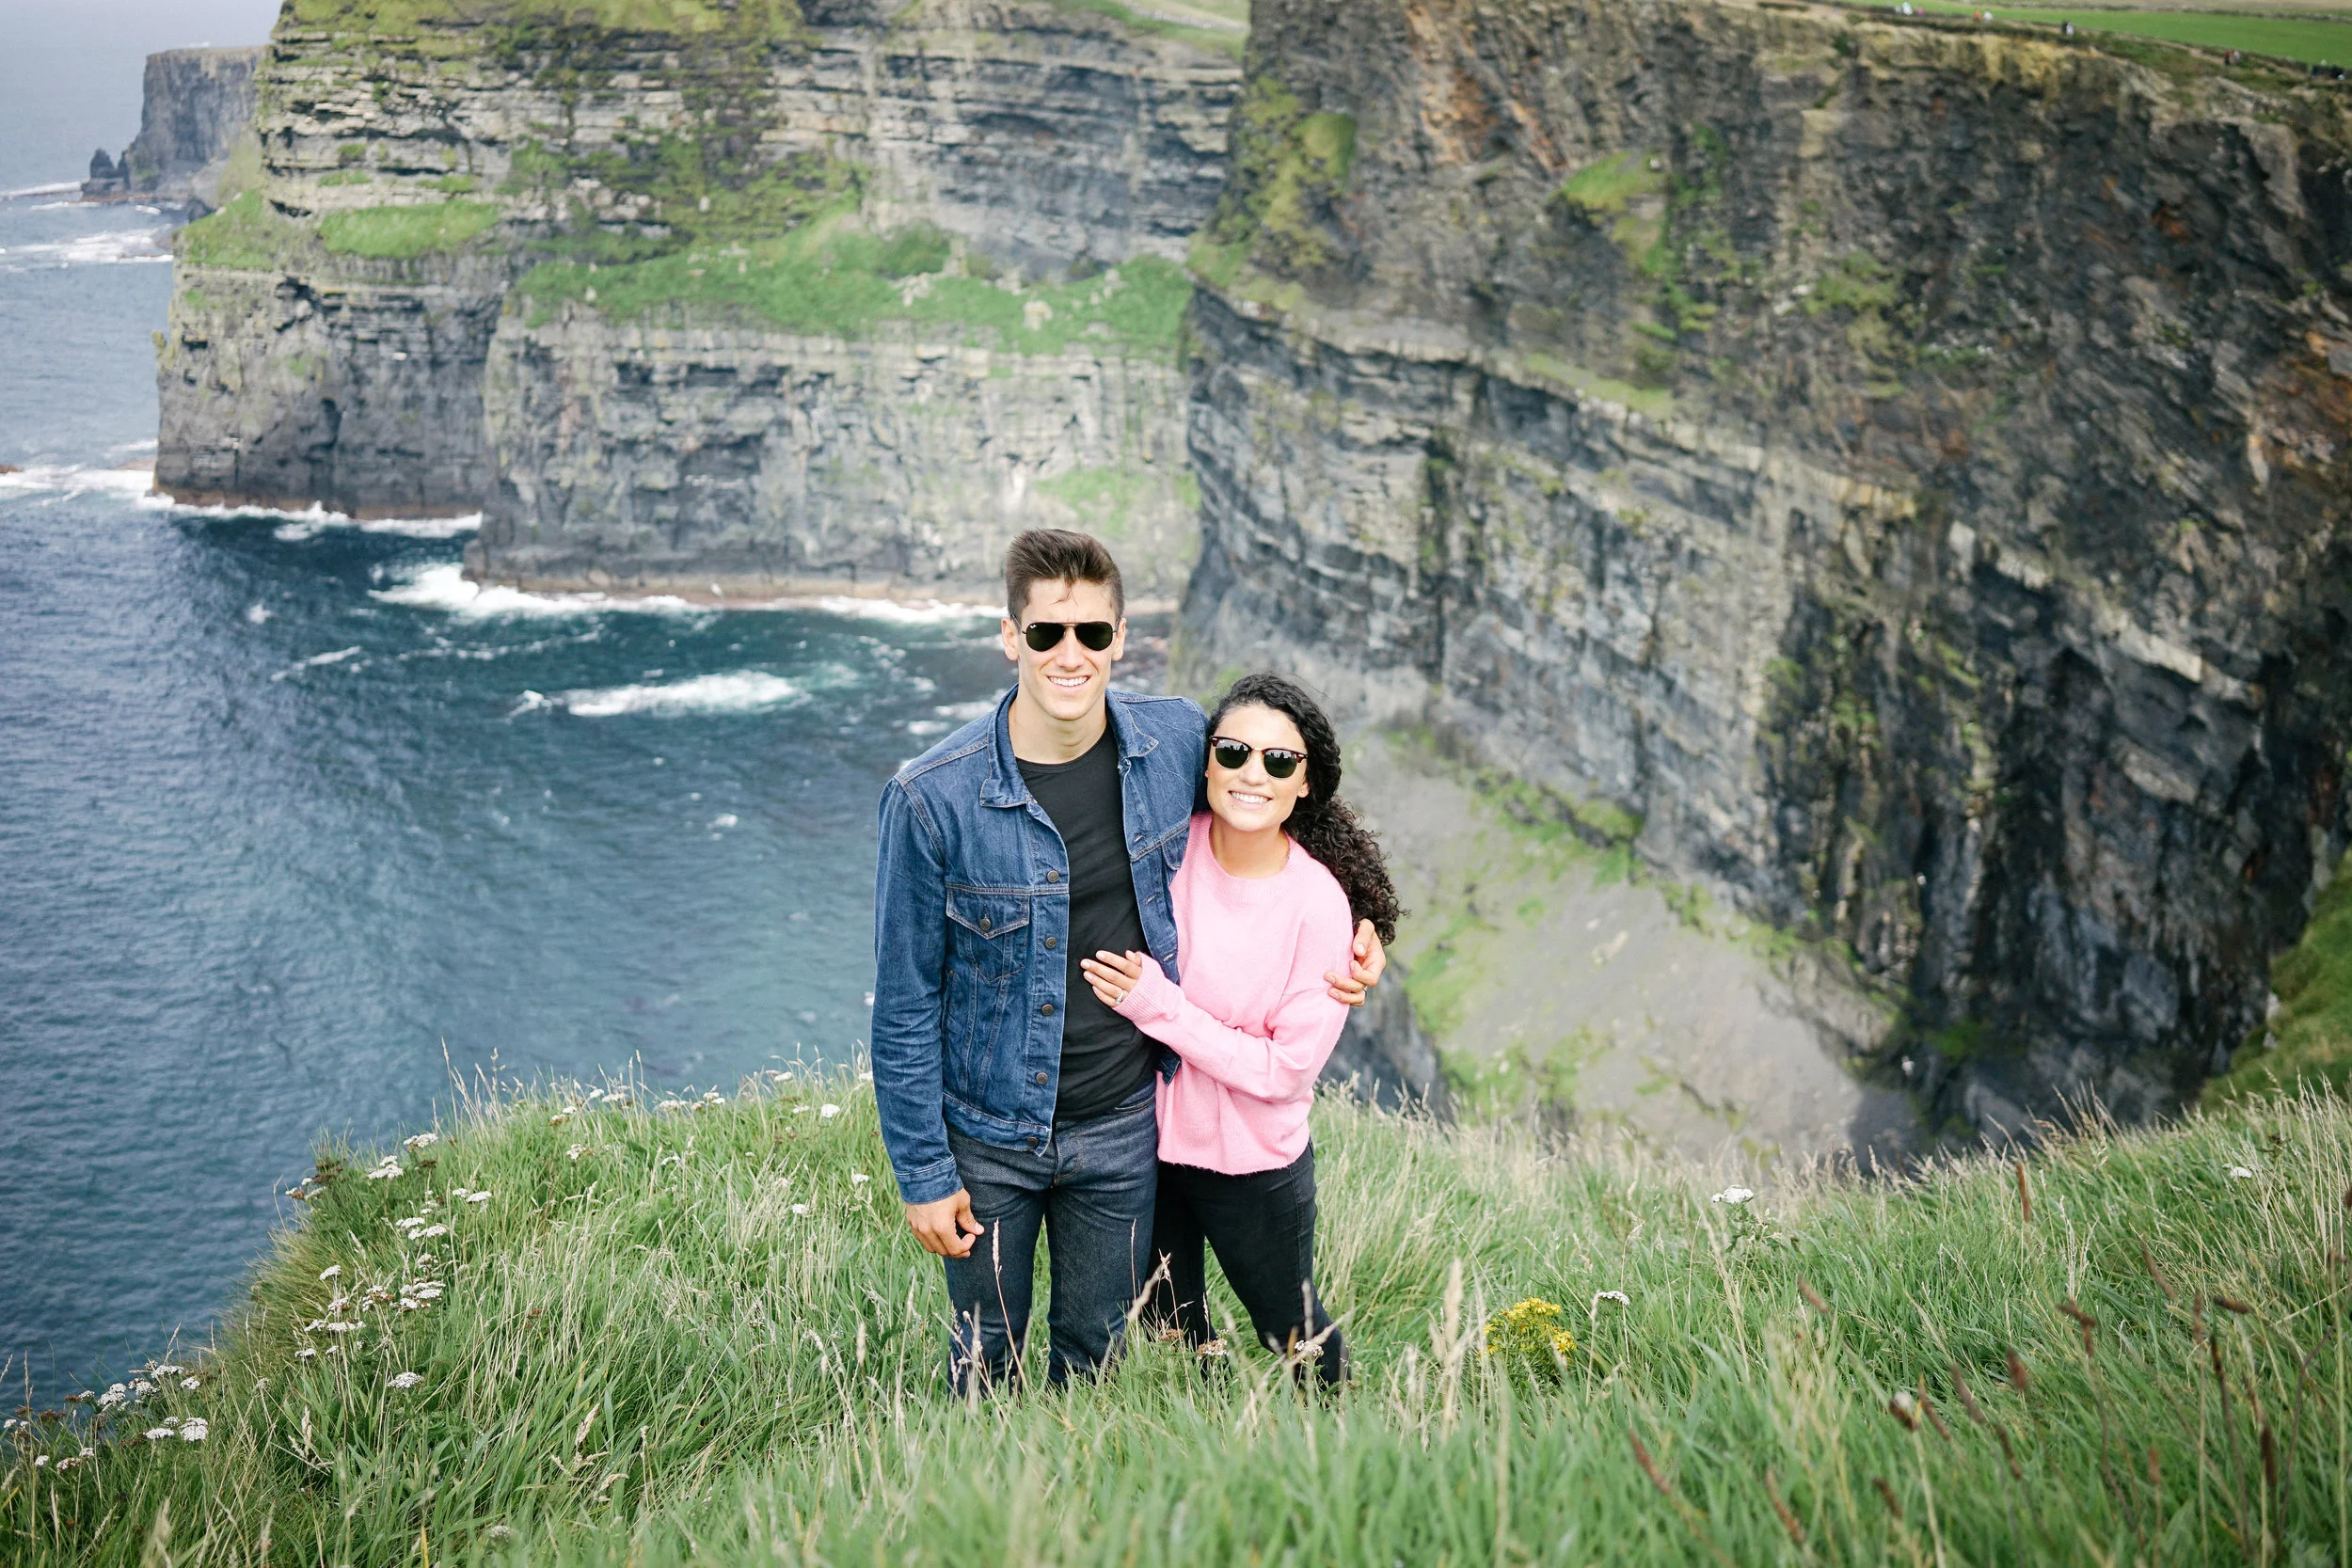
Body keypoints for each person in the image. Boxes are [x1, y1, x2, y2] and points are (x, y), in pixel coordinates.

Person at [869, 530, 1388, 1391]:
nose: (1070, 654)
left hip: (1119, 1127)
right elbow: (904, 1003)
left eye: (1092, 633)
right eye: (1046, 633)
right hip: (990, 1135)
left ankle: (1073, 1513)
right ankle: (985, 1515)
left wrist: (1368, 919)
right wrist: (924, 1172)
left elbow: (1278, 804)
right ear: (1011, 637)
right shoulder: (931, 798)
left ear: (1119, 638)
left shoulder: (1174, 740)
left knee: (1096, 1359)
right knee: (983, 1358)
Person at [1080, 673, 1402, 1388]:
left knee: (1289, 1325)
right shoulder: (1166, 850)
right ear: (1206, 763)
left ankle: (1340, 1431)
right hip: (1148, 1143)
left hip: (1253, 1165)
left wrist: (1157, 1006)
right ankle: (1205, 1423)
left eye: (1278, 761)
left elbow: (1284, 1069)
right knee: (1169, 1318)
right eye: (1233, 751)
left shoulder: (1318, 907)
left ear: (1305, 784)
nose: (1252, 773)